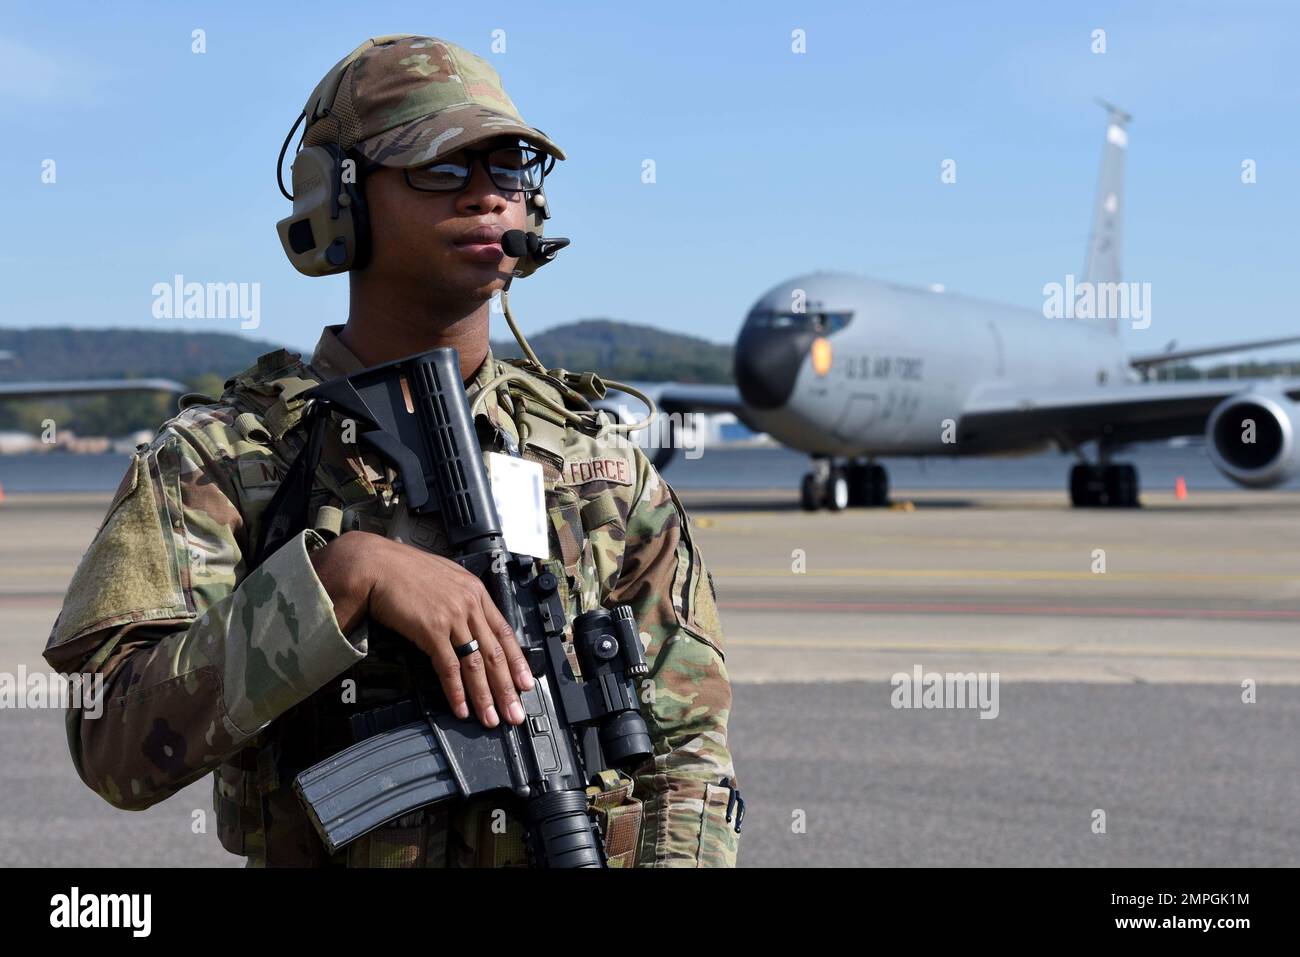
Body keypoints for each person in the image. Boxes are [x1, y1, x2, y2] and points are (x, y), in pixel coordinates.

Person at [42, 34, 741, 867]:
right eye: (441, 169)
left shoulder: (599, 466)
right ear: (341, 201)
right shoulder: (223, 460)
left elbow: (688, 754)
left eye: (510, 168)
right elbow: (113, 742)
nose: (488, 197)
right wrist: (338, 582)